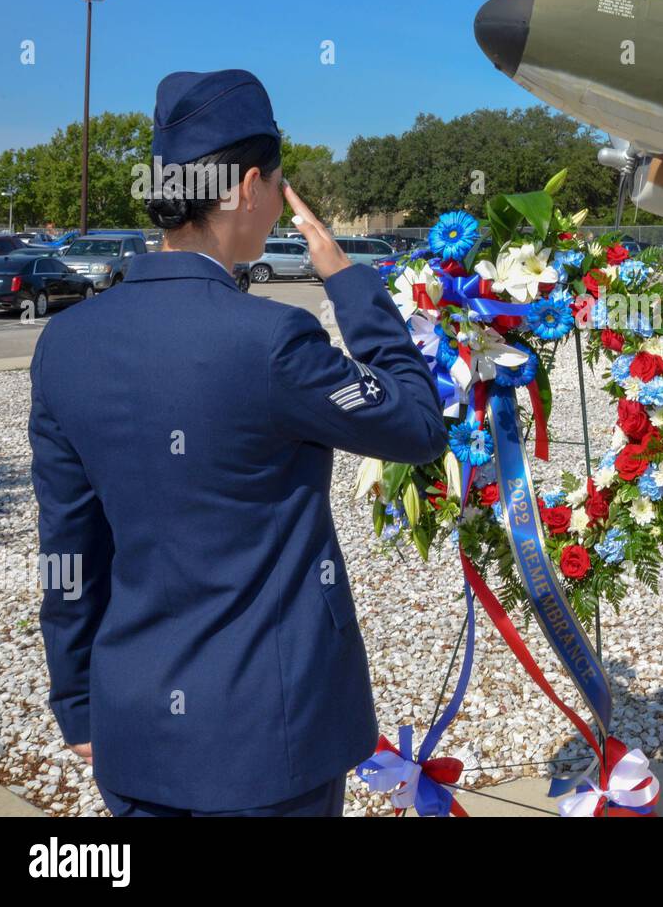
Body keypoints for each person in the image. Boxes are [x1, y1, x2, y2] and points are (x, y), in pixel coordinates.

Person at [29, 69, 447, 817]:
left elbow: (67, 543)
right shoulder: (270, 339)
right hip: (268, 744)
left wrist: (78, 698)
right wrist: (350, 285)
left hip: (135, 726)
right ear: (246, 187)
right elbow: (416, 427)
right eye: (278, 188)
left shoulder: (65, 343)